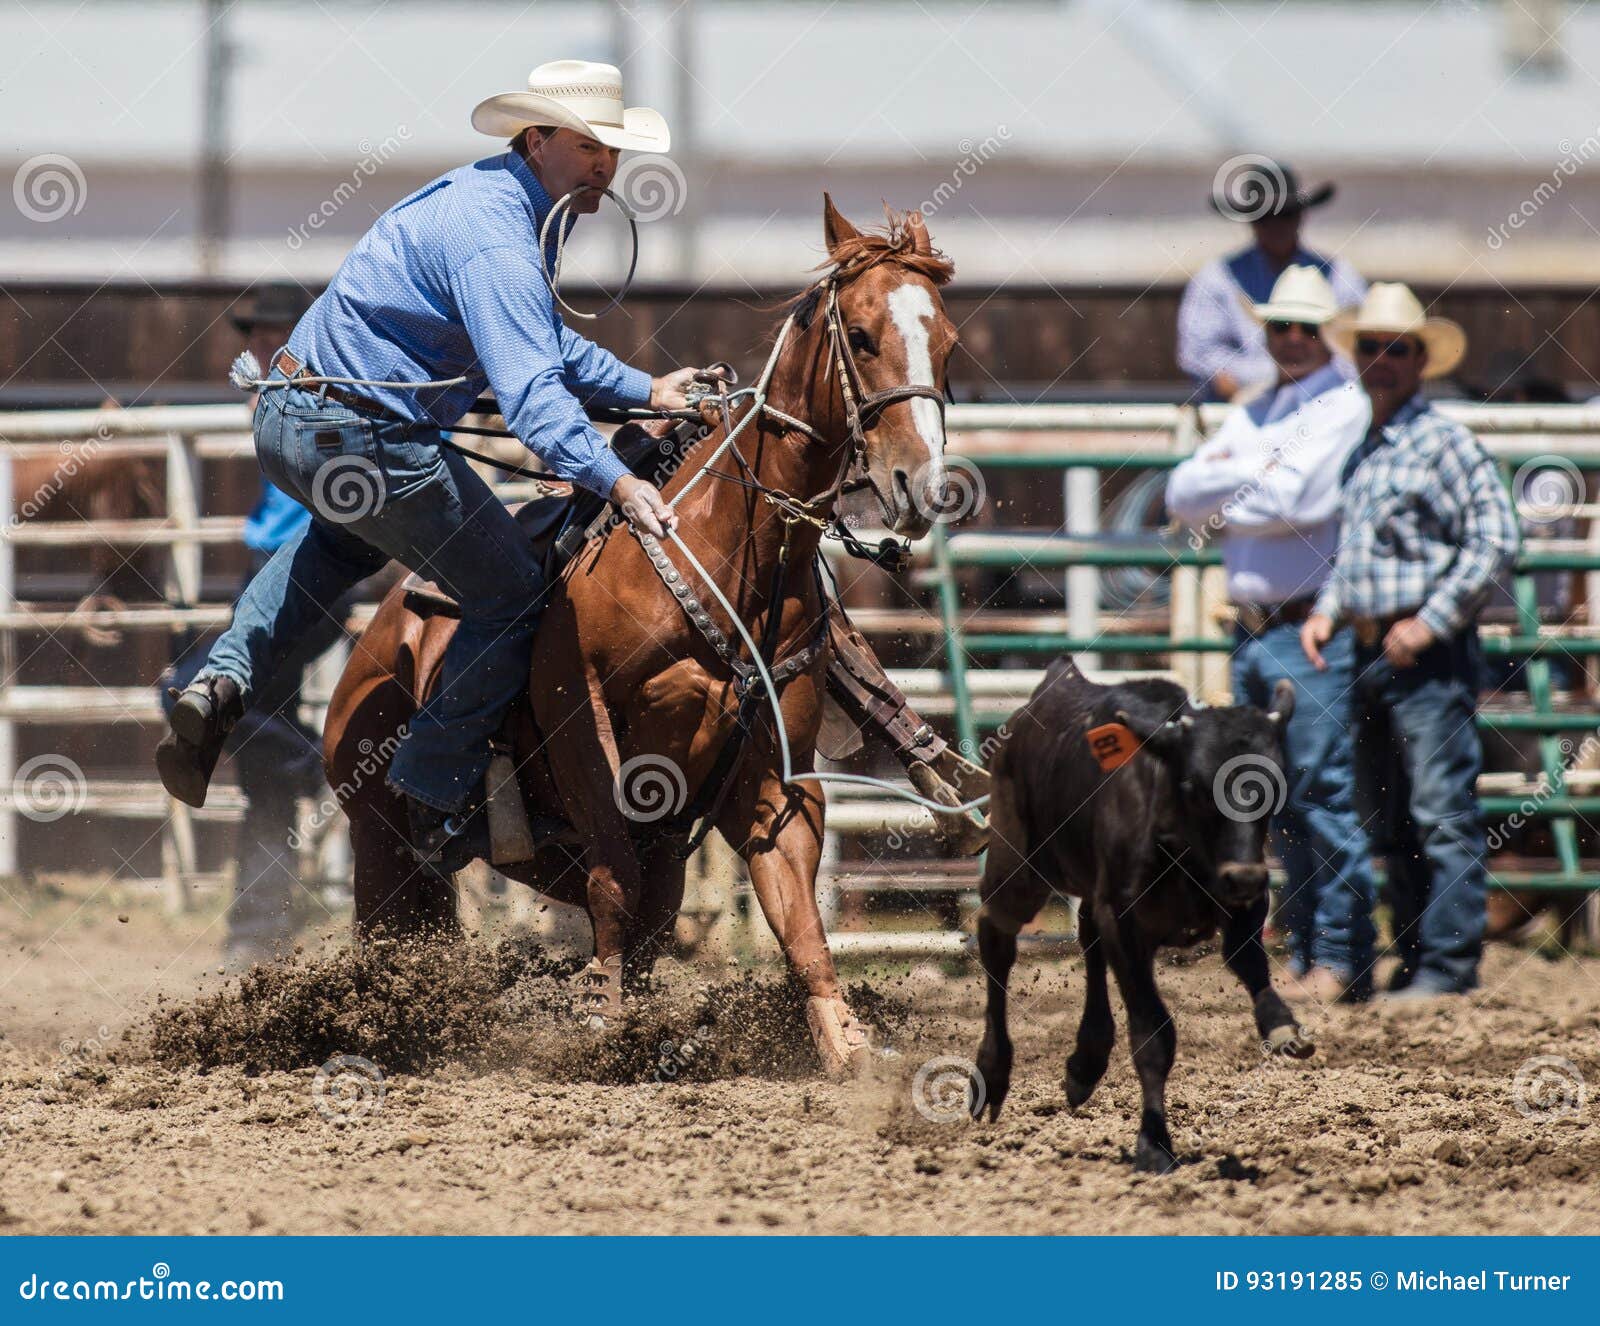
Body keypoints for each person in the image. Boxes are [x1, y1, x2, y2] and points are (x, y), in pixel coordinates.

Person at [156, 59, 699, 872]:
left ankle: (222, 680)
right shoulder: (500, 239)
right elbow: (535, 398)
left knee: (343, 543)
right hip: (367, 433)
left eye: (614, 152)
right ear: (539, 138)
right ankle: (430, 792)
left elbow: (537, 345)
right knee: (513, 592)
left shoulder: (483, 200)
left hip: (288, 415)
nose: (605, 167)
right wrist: (618, 479)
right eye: (590, 146)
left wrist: (645, 388)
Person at [1301, 284, 1519, 1001]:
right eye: (1371, 347)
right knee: (1392, 814)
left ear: (1421, 360)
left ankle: (1447, 968)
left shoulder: (1443, 441)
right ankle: (1418, 956)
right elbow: (1356, 552)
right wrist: (1329, 610)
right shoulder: (1369, 444)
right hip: (1370, 650)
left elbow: (1496, 536)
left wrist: (1430, 620)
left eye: (1397, 349)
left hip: (1425, 654)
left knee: (1439, 810)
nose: (1382, 360)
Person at [1166, 266, 1376, 1003]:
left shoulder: (1341, 406)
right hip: (1258, 629)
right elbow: (1180, 492)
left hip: (1303, 625)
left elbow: (1302, 499)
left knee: (1318, 795)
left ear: (1326, 336)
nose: (1288, 338)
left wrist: (1233, 477)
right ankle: (1313, 951)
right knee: (1282, 799)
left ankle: (1343, 956)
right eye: (1278, 326)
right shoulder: (1270, 407)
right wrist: (1257, 478)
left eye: (1302, 327)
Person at [1177, 160, 1366, 402]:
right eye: (1265, 216)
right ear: (1251, 221)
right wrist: (1252, 387)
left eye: (1285, 214)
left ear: (1301, 216)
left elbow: (1357, 346)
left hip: (1326, 401)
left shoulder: (1339, 273)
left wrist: (1310, 382)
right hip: (1241, 404)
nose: (1276, 225)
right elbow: (1198, 353)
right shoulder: (1217, 277)